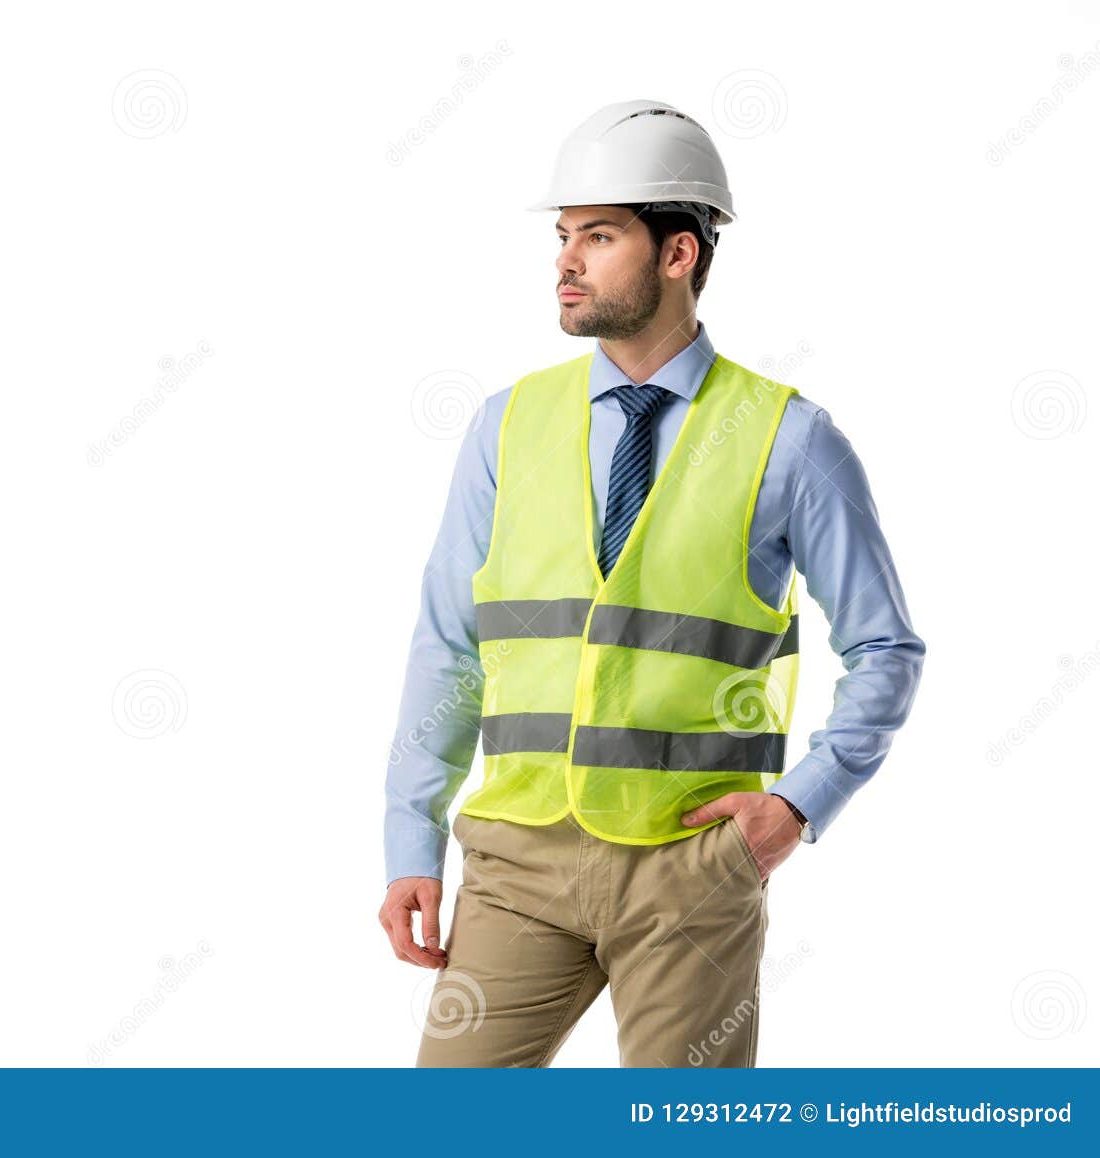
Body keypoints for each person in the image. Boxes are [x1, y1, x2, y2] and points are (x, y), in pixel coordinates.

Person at [379, 99, 925, 1067]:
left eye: (598, 235)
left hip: (690, 866)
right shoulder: (506, 427)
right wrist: (409, 840)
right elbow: (447, 642)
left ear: (679, 254)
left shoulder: (789, 440)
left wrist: (796, 807)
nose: (565, 261)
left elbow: (884, 649)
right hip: (515, 864)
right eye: (562, 236)